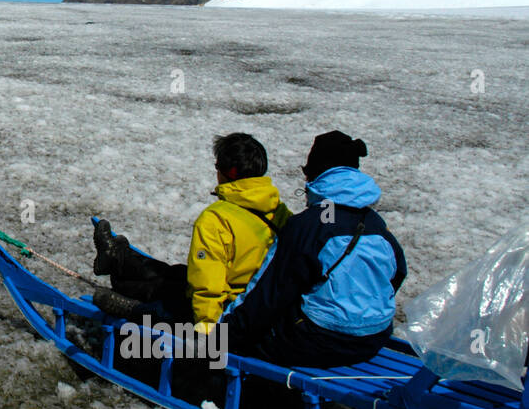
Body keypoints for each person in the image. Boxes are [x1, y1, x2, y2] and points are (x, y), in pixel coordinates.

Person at [222, 131, 407, 367]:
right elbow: (398, 272)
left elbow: (269, 295)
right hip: (373, 338)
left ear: (316, 173)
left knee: (258, 337)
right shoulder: (373, 222)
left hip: (321, 341)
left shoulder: (309, 225)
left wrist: (224, 335)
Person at [93, 133, 291, 328]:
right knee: (178, 275)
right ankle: (117, 257)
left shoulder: (217, 219)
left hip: (227, 313)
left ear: (228, 172)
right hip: (256, 302)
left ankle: (131, 305)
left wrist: (208, 331)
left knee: (171, 292)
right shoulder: (280, 212)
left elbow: (207, 286)